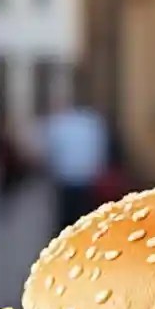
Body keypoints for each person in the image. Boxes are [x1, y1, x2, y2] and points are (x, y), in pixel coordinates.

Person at [43, 95, 108, 234]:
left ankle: (66, 238)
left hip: (66, 178)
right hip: (87, 177)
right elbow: (100, 148)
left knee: (65, 214)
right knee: (84, 212)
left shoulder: (60, 123)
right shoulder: (92, 122)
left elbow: (52, 151)